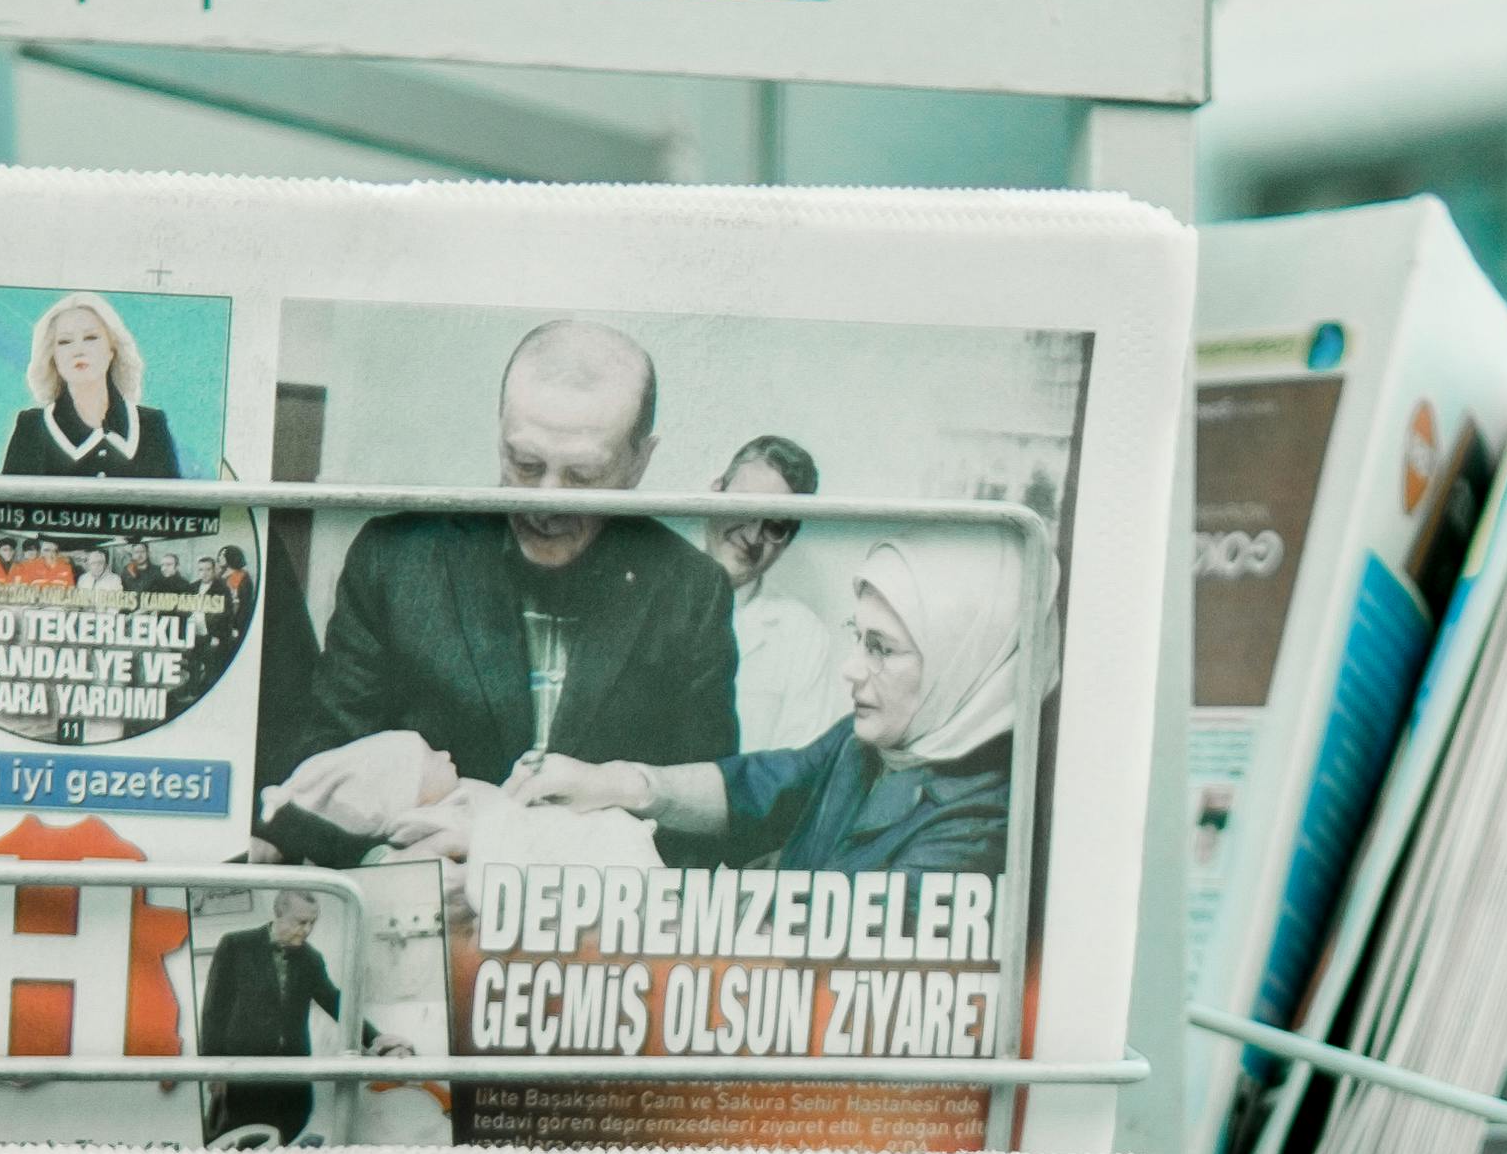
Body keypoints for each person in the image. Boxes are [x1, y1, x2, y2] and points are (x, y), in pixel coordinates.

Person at [276, 318, 737, 819]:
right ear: (500, 433)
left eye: (583, 476)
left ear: (640, 461)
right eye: (525, 464)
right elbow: (317, 771)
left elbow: (702, 813)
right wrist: (404, 868)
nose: (546, 502)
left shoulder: (691, 591)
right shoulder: (397, 558)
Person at [512, 523, 1032, 890]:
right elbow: (757, 787)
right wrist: (615, 782)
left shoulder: (982, 827)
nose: (850, 669)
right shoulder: (867, 743)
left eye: (882, 648)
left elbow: (824, 969)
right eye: (857, 638)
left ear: (963, 663)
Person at [709, 433, 852, 747]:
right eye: (744, 506)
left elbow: (796, 773)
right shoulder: (641, 589)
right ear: (715, 491)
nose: (752, 535)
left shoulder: (803, 636)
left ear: (788, 541)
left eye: (775, 526)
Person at [197, 883, 346, 1148]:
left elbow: (335, 1002)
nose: (307, 930)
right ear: (278, 913)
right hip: (243, 1077)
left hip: (291, 1081)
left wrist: (379, 1039)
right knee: (240, 1150)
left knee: (285, 1146)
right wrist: (214, 1070)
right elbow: (214, 1011)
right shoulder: (236, 945)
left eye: (312, 923)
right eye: (301, 922)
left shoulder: (311, 958)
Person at [0, 289, 180, 485]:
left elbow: (175, 511)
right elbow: (9, 510)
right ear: (53, 357)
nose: (78, 350)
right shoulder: (32, 427)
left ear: (112, 349)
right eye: (65, 342)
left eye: (91, 338)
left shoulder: (151, 425)